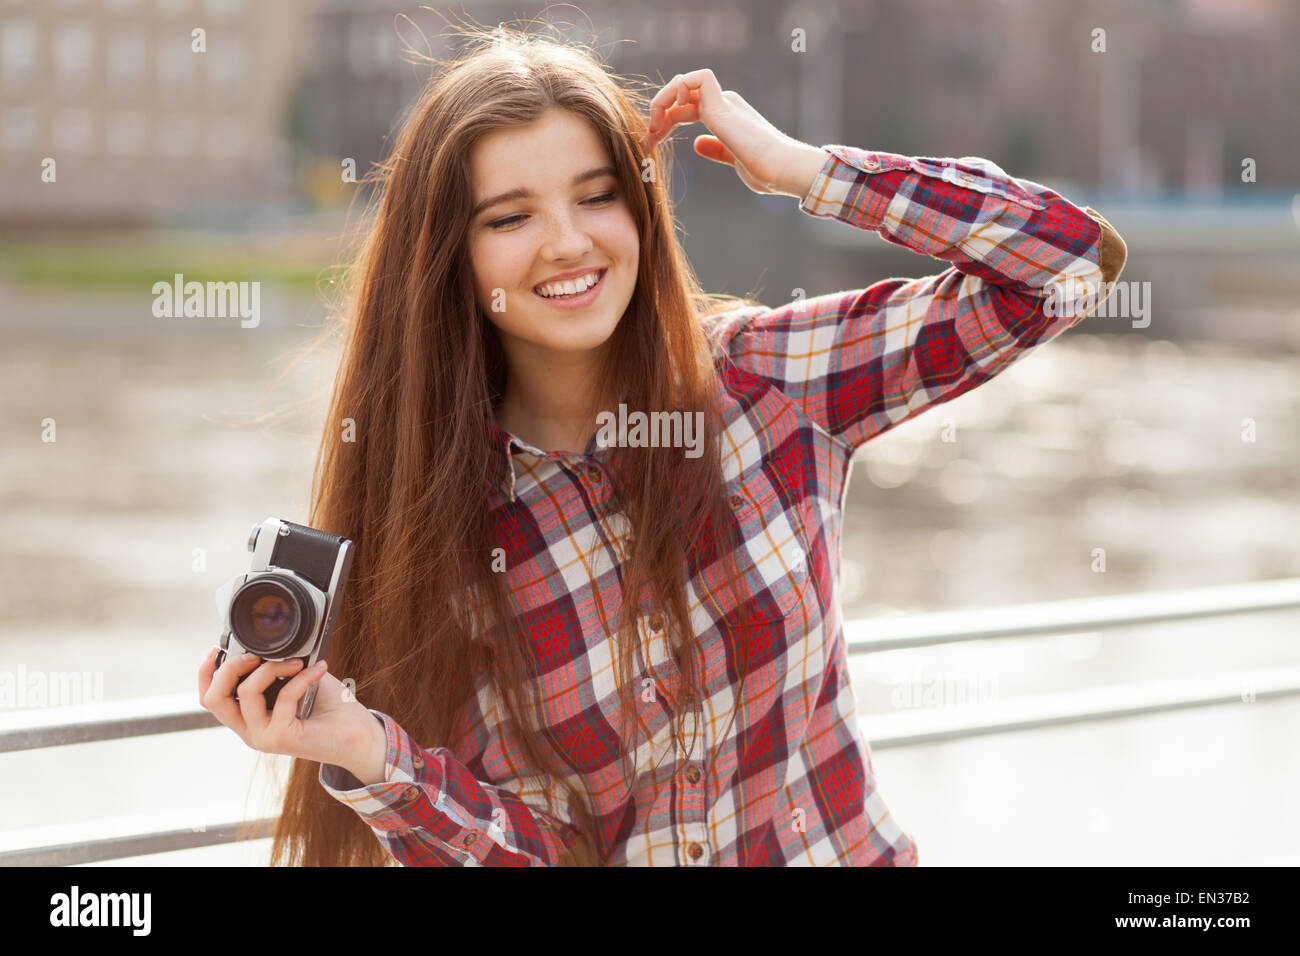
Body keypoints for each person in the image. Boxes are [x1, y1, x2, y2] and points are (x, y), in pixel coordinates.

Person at [198, 25, 1127, 866]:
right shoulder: (439, 524)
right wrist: (373, 757)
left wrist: (807, 171)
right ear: (451, 257)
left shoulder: (771, 379)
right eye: (510, 217)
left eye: (597, 196)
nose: (568, 244)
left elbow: (1068, 266)